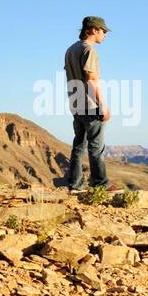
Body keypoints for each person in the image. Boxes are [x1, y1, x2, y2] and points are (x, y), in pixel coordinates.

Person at [63, 16, 116, 192]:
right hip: (90, 105)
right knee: (96, 147)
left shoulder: (71, 49)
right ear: (93, 30)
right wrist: (103, 106)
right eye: (103, 31)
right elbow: (92, 79)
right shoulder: (89, 50)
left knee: (79, 146)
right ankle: (100, 183)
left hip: (75, 103)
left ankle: (75, 183)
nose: (105, 35)